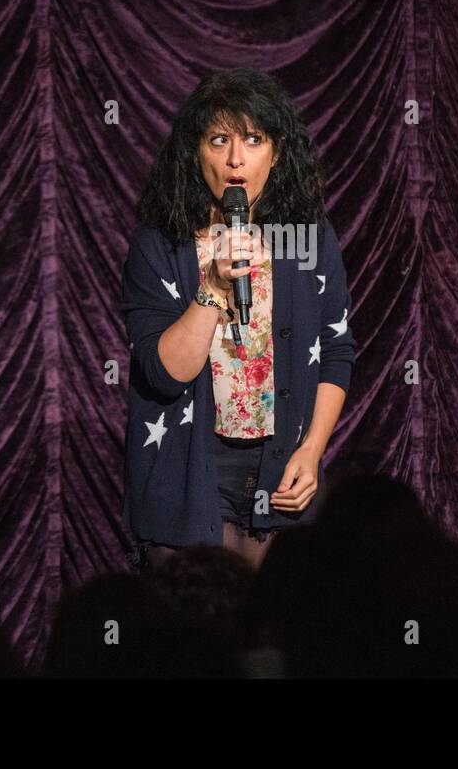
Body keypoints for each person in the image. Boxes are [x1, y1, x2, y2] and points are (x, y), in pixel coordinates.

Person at [121, 68, 355, 573]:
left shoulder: (306, 239)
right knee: (196, 640)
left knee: (272, 638)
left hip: (279, 464)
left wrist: (312, 450)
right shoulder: (163, 245)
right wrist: (214, 287)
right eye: (219, 139)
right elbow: (164, 373)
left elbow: (335, 350)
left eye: (253, 139)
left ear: (276, 151)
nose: (235, 158)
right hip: (188, 468)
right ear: (195, 152)